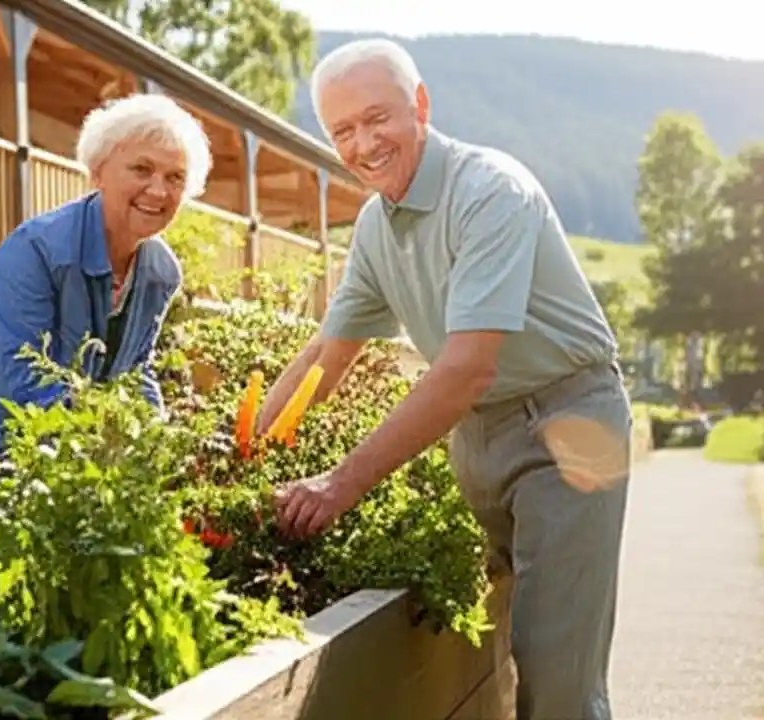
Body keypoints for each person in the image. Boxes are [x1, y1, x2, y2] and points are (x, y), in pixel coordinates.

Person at [261, 39, 631, 720]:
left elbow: (465, 367)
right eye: (342, 130)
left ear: (421, 105)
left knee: (556, 674)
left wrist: (339, 484)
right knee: (501, 653)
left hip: (568, 424)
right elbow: (327, 354)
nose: (363, 143)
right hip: (479, 434)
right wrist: (251, 448)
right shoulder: (376, 225)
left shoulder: (490, 191)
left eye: (378, 118)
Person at [0, 93, 210, 458]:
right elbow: (25, 376)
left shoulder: (161, 273)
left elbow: (136, 370)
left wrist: (158, 446)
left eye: (175, 178)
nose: (158, 190)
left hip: (52, 445)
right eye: (141, 169)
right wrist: (105, 442)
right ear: (98, 172)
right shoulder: (39, 248)